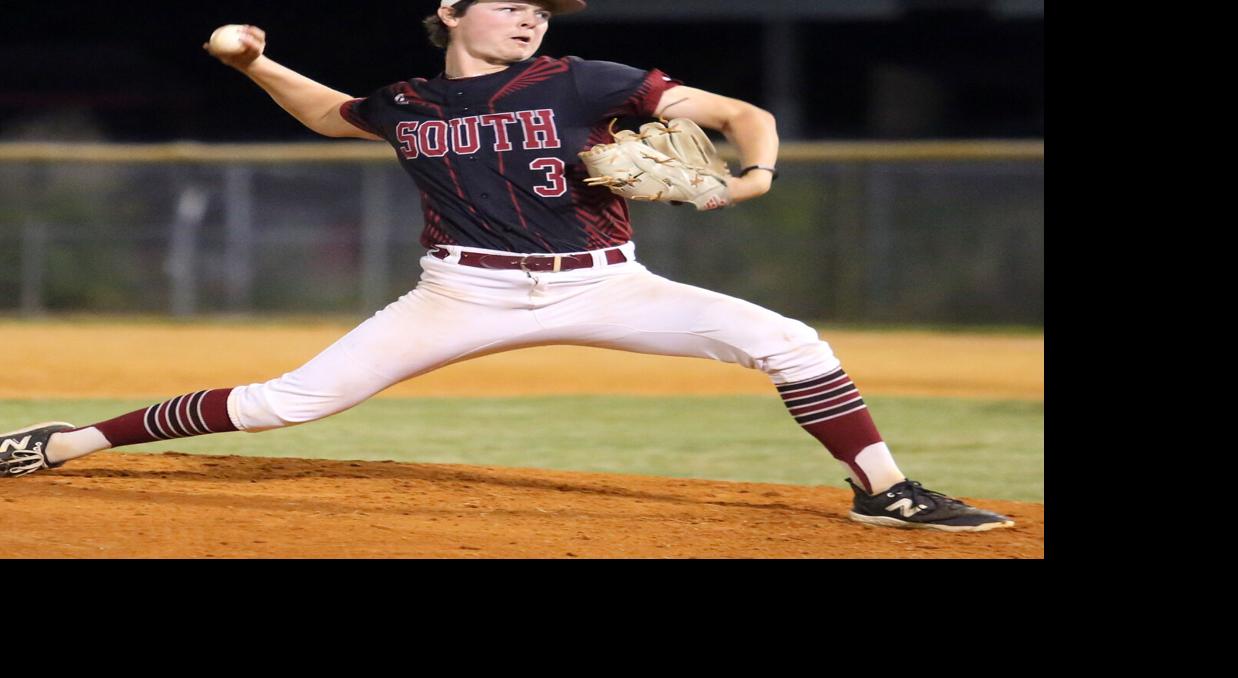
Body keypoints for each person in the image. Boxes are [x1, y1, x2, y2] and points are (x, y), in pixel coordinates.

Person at [1, 0, 1014, 532]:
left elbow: (738, 115)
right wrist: (253, 63)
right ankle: (65, 442)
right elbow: (324, 111)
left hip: (608, 280)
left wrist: (756, 173)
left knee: (787, 342)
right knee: (284, 405)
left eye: (542, 6)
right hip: (461, 291)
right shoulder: (408, 103)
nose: (532, 15)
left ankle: (883, 491)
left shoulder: (588, 82)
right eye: (511, 3)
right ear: (450, 11)